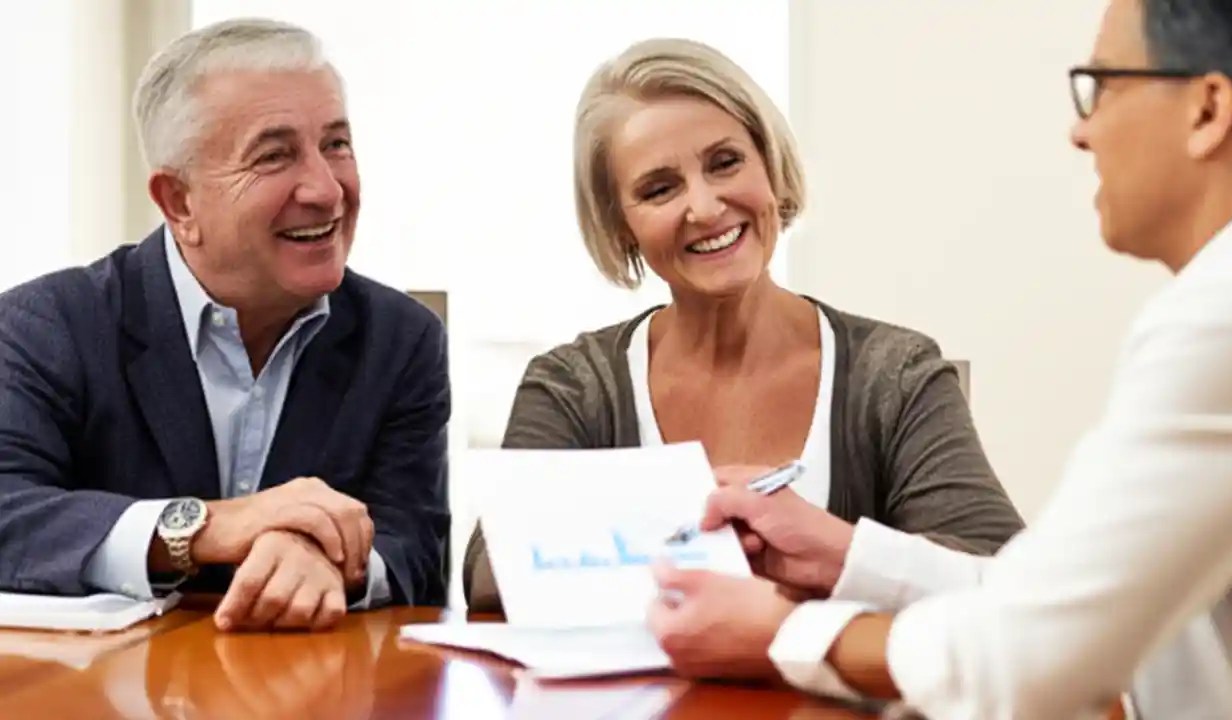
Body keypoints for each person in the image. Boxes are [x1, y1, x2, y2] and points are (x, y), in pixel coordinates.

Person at [646, 1, 1232, 718]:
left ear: (1208, 109)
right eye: (658, 188)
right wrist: (844, 555)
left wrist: (784, 633)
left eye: (1101, 84)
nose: (1081, 130)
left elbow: (1032, 656)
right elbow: (1049, 606)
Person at [462, 38, 1023, 612]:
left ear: (771, 166)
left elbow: (994, 565)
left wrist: (809, 562)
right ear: (621, 226)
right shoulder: (572, 387)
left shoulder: (895, 374)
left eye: (725, 163)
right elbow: (488, 574)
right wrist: (720, 540)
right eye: (660, 189)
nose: (704, 207)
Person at [0, 19, 451, 631]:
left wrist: (329, 558)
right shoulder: (46, 327)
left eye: (337, 144)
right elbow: (9, 512)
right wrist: (203, 528)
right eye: (274, 156)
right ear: (179, 202)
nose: (326, 189)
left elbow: (416, 543)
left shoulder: (402, 341)